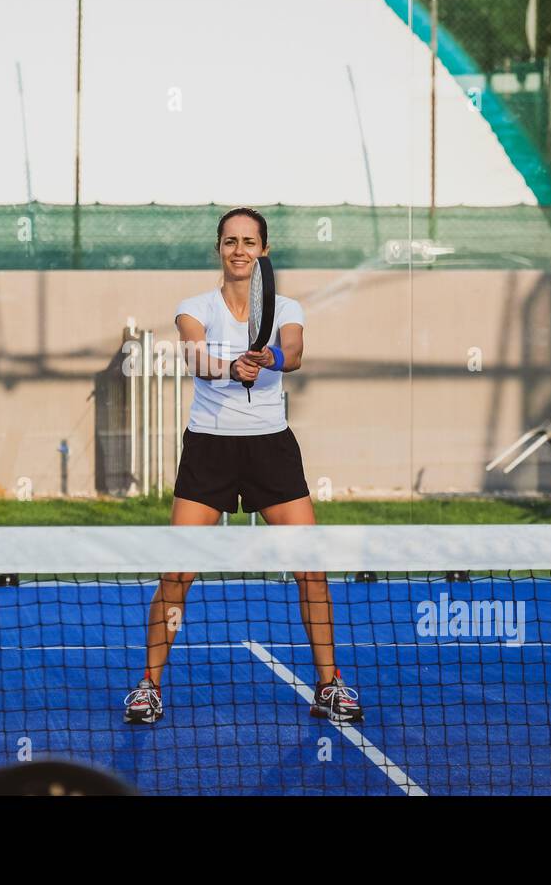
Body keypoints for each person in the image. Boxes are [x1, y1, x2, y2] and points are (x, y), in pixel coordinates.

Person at [122, 207, 363, 726]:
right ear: (219, 248)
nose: (239, 250)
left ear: (263, 251)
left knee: (312, 569)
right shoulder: (195, 305)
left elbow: (294, 352)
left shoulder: (288, 306)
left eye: (249, 242)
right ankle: (148, 687)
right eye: (230, 241)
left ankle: (329, 684)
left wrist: (269, 359)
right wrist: (231, 365)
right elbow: (194, 356)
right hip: (210, 450)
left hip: (270, 449)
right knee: (177, 573)